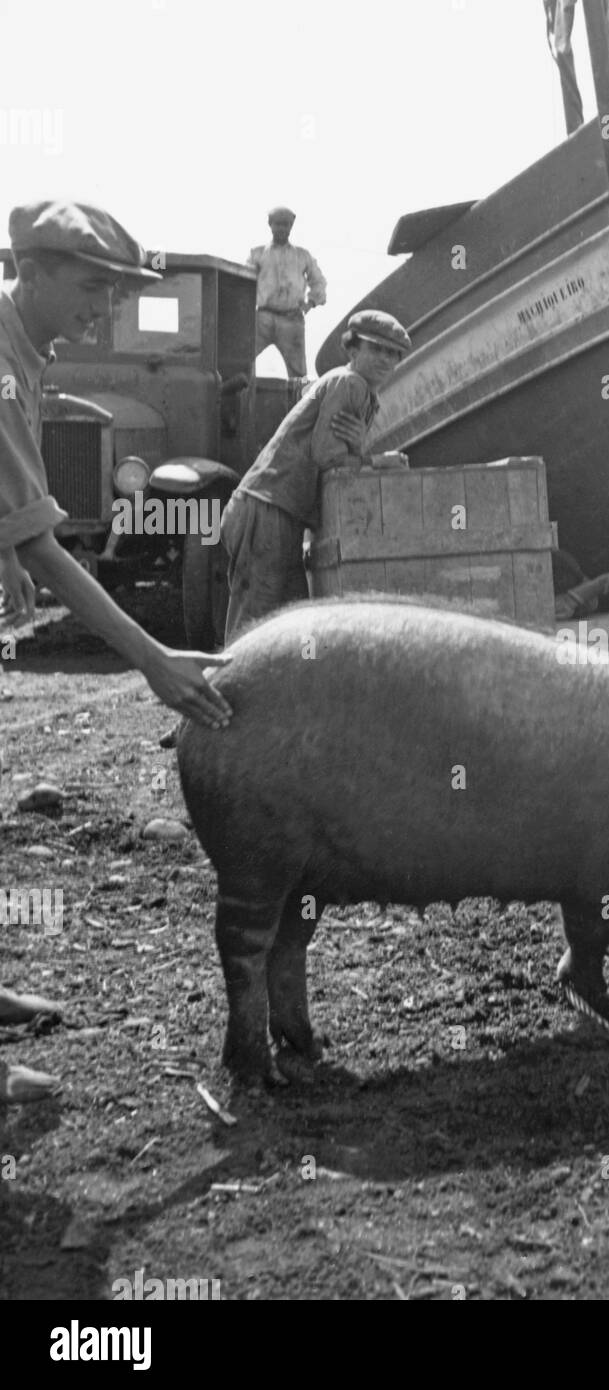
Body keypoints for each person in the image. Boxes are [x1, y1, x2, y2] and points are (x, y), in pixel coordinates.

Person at [0, 199, 232, 1104]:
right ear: (32, 268)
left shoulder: (28, 350)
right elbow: (51, 551)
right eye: (94, 287)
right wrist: (153, 657)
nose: (105, 310)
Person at [220, 309, 412, 642]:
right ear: (353, 350)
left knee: (288, 622)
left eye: (393, 353)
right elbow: (327, 456)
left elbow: (329, 453)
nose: (385, 359)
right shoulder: (349, 382)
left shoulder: (347, 385)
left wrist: (354, 450)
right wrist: (375, 462)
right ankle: (224, 691)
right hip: (268, 510)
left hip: (273, 509)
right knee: (253, 628)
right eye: (376, 349)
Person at [247, 207, 327, 378]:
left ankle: (300, 404)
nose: (282, 228)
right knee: (242, 361)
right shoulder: (257, 254)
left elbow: (319, 281)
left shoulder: (302, 255)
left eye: (286, 224)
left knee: (298, 374)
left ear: (291, 226)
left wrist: (310, 303)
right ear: (270, 225)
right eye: (278, 224)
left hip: (291, 320)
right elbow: (244, 281)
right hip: (263, 319)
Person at [552, 548, 609, 629]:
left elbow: (590, 597)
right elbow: (552, 610)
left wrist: (604, 585)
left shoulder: (563, 559)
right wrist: (596, 586)